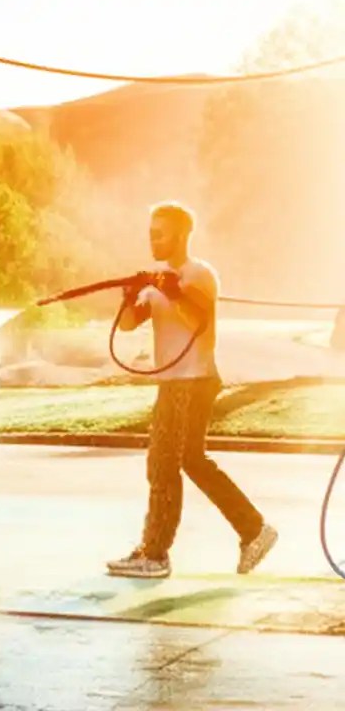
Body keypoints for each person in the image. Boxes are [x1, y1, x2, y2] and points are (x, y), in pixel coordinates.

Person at [106, 201, 278, 578]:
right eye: (150, 232)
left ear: (181, 234)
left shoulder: (199, 274)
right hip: (172, 383)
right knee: (183, 462)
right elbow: (130, 324)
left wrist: (173, 289)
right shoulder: (160, 278)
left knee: (167, 463)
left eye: (159, 233)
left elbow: (199, 320)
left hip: (195, 379)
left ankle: (156, 554)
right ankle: (253, 529)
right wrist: (130, 294)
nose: (152, 239)